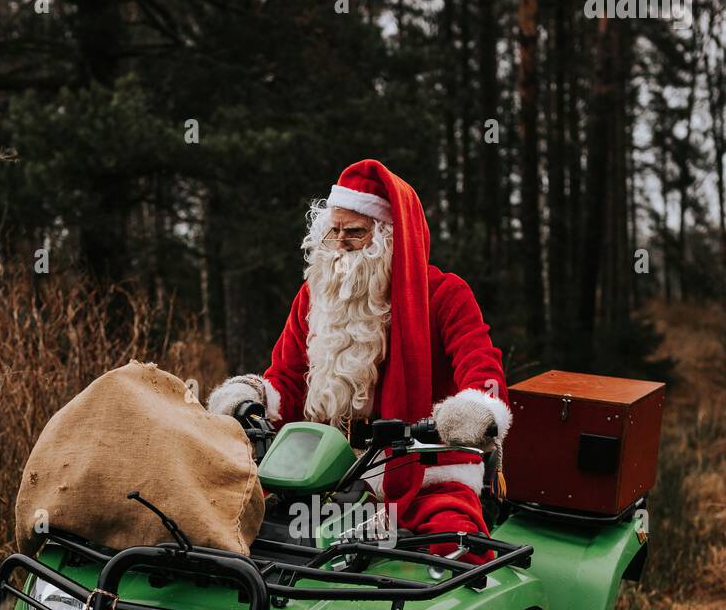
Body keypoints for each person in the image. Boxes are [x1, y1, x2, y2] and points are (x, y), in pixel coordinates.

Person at [208, 158, 512, 548]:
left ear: (390, 238)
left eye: (353, 233)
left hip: (422, 470)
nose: (338, 247)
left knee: (455, 543)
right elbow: (285, 377)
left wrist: (472, 411)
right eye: (332, 232)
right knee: (242, 524)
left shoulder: (444, 294)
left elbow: (481, 368)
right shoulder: (314, 297)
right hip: (323, 468)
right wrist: (253, 398)